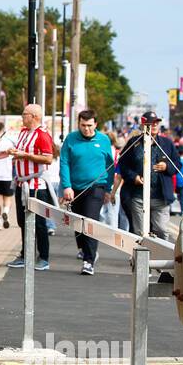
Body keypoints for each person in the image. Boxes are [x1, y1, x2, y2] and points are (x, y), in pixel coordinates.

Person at [58, 109, 115, 275]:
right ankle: (85, 249)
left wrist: (108, 189)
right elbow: (64, 162)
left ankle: (88, 261)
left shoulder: (103, 140)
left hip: (96, 187)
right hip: (75, 188)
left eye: (90, 125)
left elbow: (110, 166)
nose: (86, 129)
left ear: (95, 124)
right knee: (78, 223)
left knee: (90, 221)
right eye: (83, 125)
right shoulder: (71, 139)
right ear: (79, 124)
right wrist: (66, 186)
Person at [1, 104, 56, 270]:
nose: (22, 117)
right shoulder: (24, 132)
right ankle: (26, 254)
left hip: (36, 185)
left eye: (24, 114)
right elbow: (22, 152)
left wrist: (25, 155)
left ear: (34, 116)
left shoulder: (42, 135)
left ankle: (44, 257)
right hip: (21, 183)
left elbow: (48, 158)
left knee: (39, 222)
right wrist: (15, 153)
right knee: (22, 221)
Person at [115, 111, 182, 240]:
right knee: (140, 233)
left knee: (161, 230)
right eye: (151, 123)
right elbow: (123, 165)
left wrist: (167, 166)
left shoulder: (167, 143)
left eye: (156, 123)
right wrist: (133, 177)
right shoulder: (134, 143)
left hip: (160, 197)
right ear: (144, 125)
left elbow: (178, 164)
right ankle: (140, 258)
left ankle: (159, 258)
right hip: (138, 196)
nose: (155, 125)